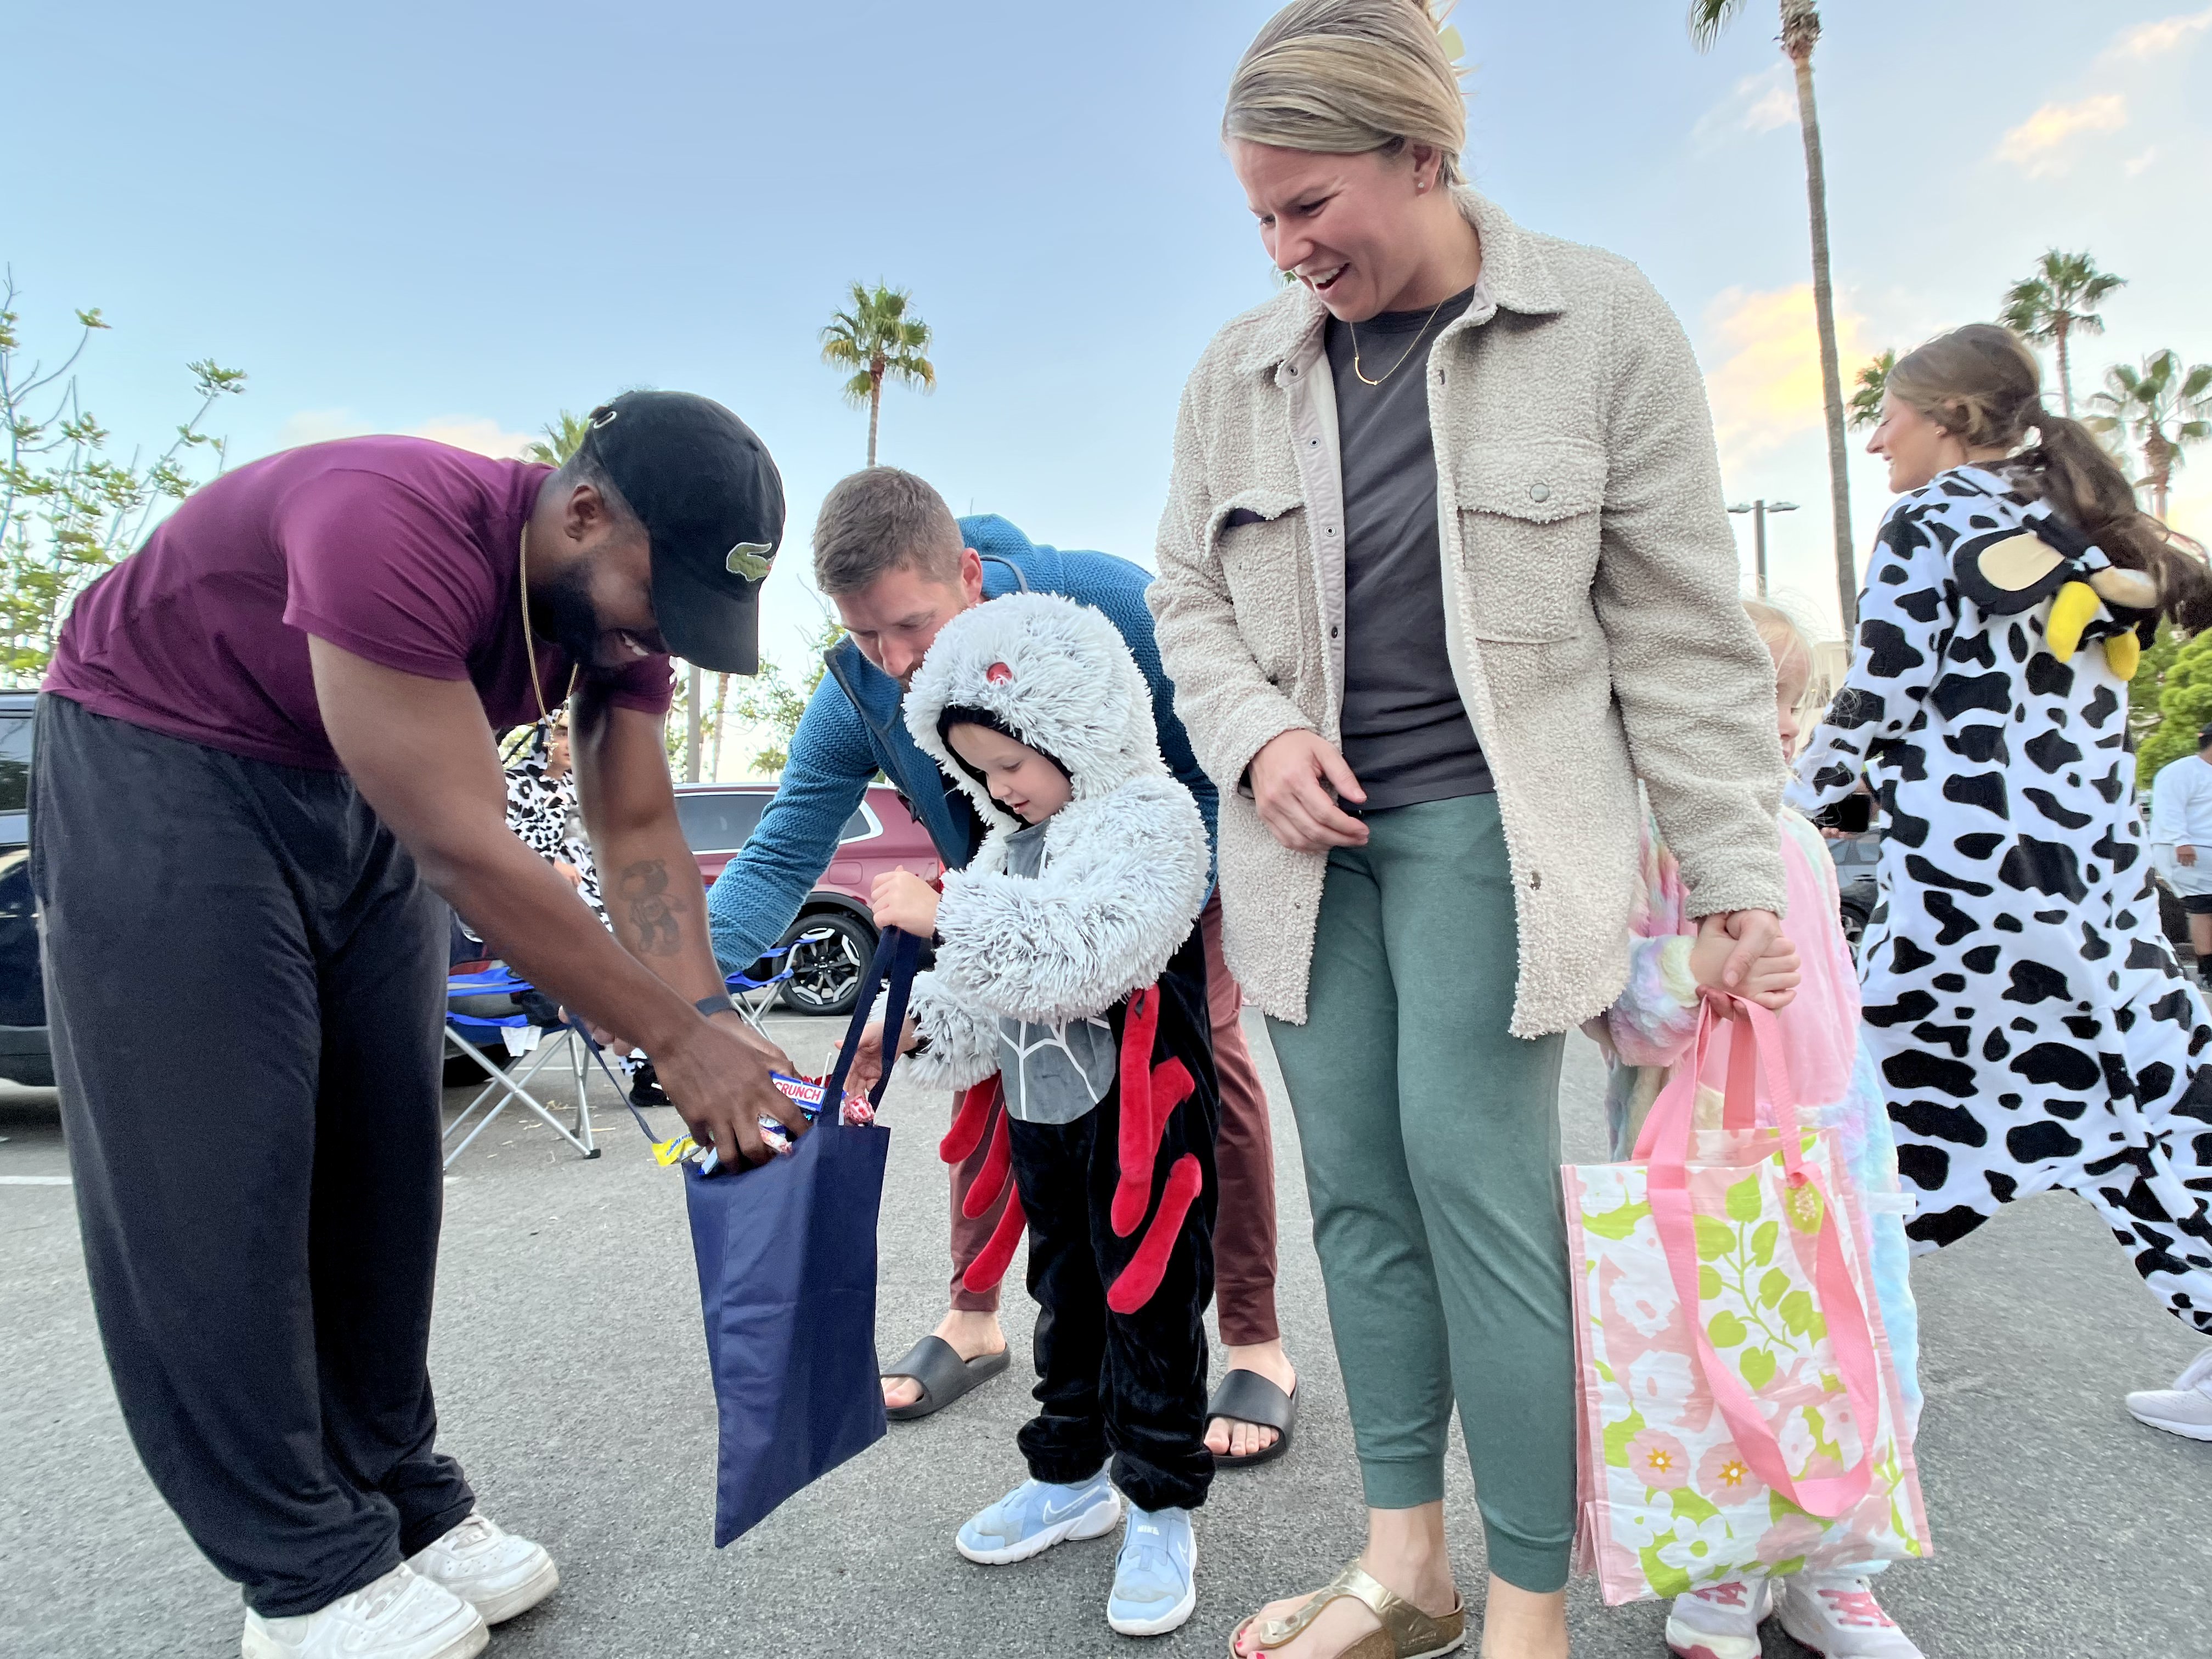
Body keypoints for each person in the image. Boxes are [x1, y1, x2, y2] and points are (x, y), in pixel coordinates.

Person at [1147, 6, 1791, 1655]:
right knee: (1356, 1197)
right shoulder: (1237, 373)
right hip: (1300, 856)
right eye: (1261, 219)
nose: (1291, 250)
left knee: (1478, 1188)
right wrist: (1259, 735)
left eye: (1313, 207)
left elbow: (1681, 630)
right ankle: (1404, 1564)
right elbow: (1189, 605)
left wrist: (1727, 872)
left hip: (1497, 843)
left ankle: (1527, 1605)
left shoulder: (1600, 326)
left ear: (1422, 154)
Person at [34, 392, 803, 1659]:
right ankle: (298, 1569)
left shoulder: (617, 628)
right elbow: (464, 844)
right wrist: (669, 1047)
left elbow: (638, 832)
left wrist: (710, 1013)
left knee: (388, 1157)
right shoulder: (387, 519)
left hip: (350, 784)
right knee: (218, 1177)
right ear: (586, 510)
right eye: (657, 596)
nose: (662, 634)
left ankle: (396, 1495)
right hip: (163, 761)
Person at [703, 467, 1298, 1464]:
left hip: (1157, 875)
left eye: (910, 627)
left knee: (1199, 1071)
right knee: (983, 1073)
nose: (892, 660)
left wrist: (1126, 926)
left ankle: (1254, 1335)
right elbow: (780, 851)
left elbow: (1209, 781)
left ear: (970, 576)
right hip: (994, 885)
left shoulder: (1103, 604)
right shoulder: (857, 688)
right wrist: (669, 993)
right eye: (864, 635)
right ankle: (972, 1315)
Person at [1790, 323, 2212, 1440]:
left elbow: (1879, 691)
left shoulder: (1934, 518)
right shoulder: (2080, 535)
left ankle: (1808, 1370)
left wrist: (1783, 814)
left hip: (1970, 892)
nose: (1878, 439)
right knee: (2141, 1111)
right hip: (2096, 885)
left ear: (1950, 420)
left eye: (1891, 416)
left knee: (1854, 1117)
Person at [859, 591, 1217, 1637]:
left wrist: (949, 912)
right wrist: (917, 1028)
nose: (1001, 787)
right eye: (979, 769)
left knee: (1150, 1307)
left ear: (1078, 724)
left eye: (1014, 762)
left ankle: (1158, 1500)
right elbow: (988, 990)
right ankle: (1070, 1474)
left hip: (1147, 1127)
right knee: (1063, 1294)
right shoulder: (1008, 846)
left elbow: (1091, 948)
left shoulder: (1153, 817)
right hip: (1047, 1122)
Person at [1601, 601, 1926, 1659]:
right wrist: (1691, 972)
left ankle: (1837, 1572)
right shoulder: (1653, 840)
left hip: (1836, 1141)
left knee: (1860, 1360)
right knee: (1725, 1366)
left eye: (1790, 700)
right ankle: (1728, 1572)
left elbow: (1838, 1009)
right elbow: (1624, 1018)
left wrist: (1873, 1157)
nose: (1783, 723)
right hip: (1699, 1147)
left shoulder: (1803, 842)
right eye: (1754, 699)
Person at [504, 715, 606, 923]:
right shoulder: (511, 783)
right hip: (539, 907)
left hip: (595, 904)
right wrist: (549, 864)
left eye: (575, 734)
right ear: (543, 736)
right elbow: (496, 845)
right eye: (561, 733)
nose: (571, 743)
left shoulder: (582, 789)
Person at [2148, 725, 2212, 989]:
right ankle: (2208, 969)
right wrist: (2181, 841)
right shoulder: (2182, 771)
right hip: (2186, 850)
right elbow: (2169, 807)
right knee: (2203, 907)